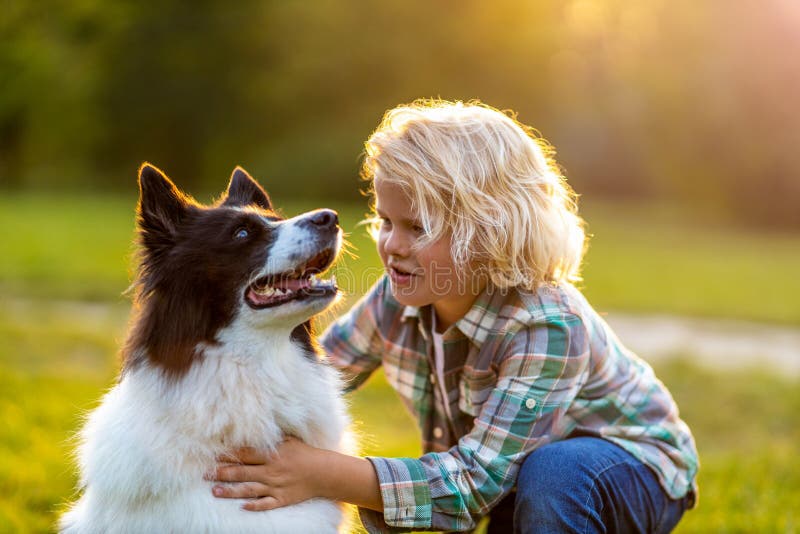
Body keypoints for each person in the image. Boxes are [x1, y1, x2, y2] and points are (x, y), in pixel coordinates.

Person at [208, 99, 699, 533]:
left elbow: (473, 482)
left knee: (555, 475)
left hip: (632, 468)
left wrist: (322, 472)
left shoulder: (547, 325)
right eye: (386, 221)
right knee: (534, 481)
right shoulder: (398, 295)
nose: (392, 246)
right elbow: (318, 374)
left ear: (490, 232)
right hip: (514, 471)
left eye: (418, 227)